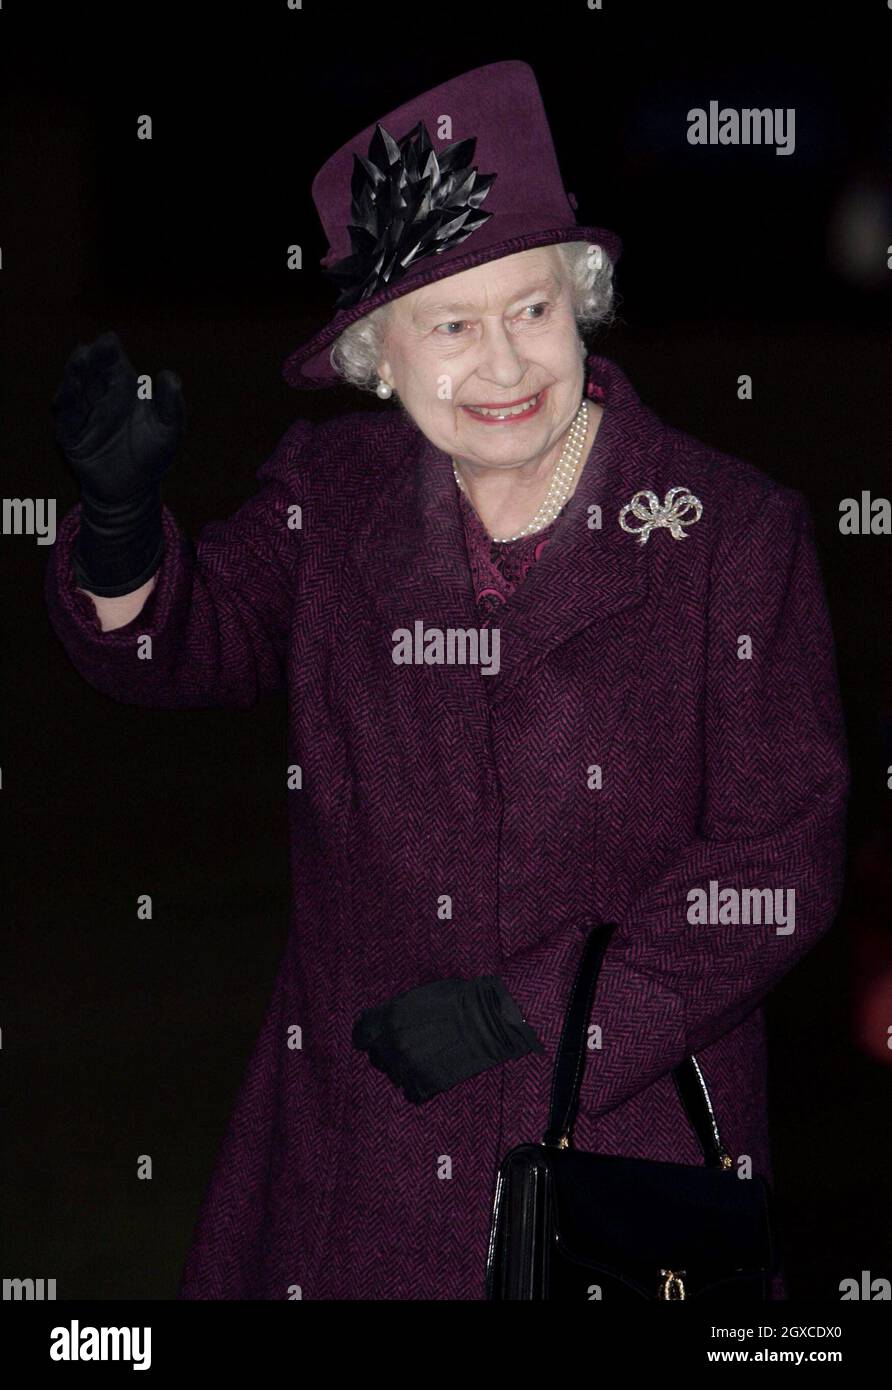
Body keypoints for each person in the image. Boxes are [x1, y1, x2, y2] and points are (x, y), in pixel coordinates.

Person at [46, 60, 849, 1300]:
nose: (503, 364)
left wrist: (527, 1012)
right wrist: (115, 524)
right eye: (451, 324)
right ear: (379, 355)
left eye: (530, 309)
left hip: (608, 1151)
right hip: (355, 1160)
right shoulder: (333, 497)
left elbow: (777, 866)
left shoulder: (727, 535)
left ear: (580, 301)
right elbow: (181, 647)